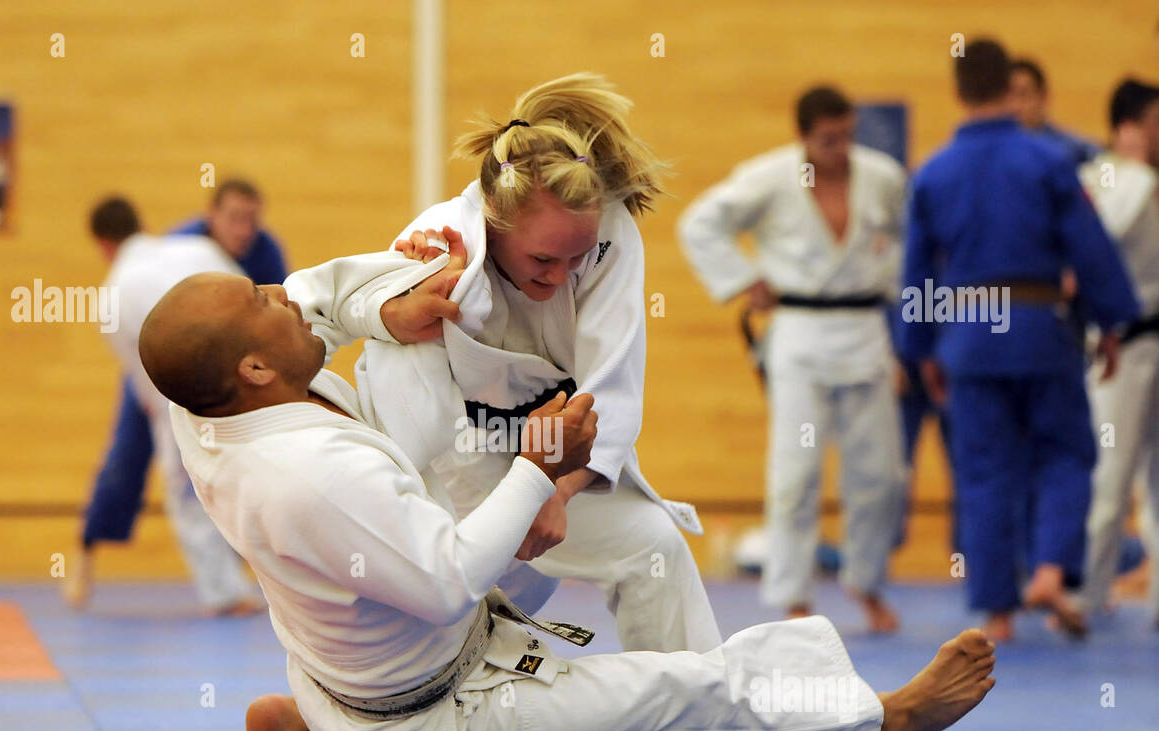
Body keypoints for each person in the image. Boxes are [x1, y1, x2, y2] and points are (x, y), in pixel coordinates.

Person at [138, 269, 997, 731]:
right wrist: (535, 469)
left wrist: (376, 306)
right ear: (254, 369)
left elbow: (309, 294)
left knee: (616, 542)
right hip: (432, 728)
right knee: (666, 695)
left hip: (368, 665)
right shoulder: (306, 474)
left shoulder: (207, 402)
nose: (281, 292)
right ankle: (884, 720)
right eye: (260, 302)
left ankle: (301, 730)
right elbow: (444, 584)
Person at [365, 73, 721, 662]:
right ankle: (317, 722)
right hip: (448, 456)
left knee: (650, 547)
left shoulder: (608, 231)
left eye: (574, 259)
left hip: (559, 450)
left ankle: (707, 728)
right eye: (542, 258)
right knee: (450, 617)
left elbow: (612, 379)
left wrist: (559, 485)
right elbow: (395, 391)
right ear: (494, 222)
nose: (561, 275)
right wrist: (399, 298)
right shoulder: (436, 245)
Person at [896, 39, 1138, 642]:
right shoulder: (1049, 162)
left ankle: (998, 613)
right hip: (1038, 328)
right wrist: (1111, 322)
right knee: (1065, 452)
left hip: (970, 335)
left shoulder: (933, 172)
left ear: (957, 92)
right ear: (1011, 86)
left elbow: (918, 272)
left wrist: (920, 348)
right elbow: (1090, 249)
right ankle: (1052, 569)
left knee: (983, 471)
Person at [678, 85, 908, 632]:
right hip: (800, 333)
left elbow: (910, 243)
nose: (839, 149)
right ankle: (793, 596)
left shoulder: (882, 176)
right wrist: (744, 279)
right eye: (828, 139)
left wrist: (905, 315)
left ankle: (866, 582)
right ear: (803, 135)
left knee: (882, 474)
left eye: (847, 136)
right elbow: (699, 223)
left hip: (867, 329)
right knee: (796, 471)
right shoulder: (771, 177)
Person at [66, 180, 288, 608]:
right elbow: (252, 303)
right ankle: (288, 584)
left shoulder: (114, 291)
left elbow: (145, 381)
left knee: (187, 490)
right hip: (246, 377)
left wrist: (166, 416)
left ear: (103, 245)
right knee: (261, 476)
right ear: (140, 224)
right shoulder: (195, 250)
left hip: (180, 396)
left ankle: (224, 594)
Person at [1076, 79, 1159, 625]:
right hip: (1121, 347)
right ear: (1130, 126)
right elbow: (1095, 248)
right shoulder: (1120, 178)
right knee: (1111, 477)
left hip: (1143, 340)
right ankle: (1087, 596)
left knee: (1149, 480)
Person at [1009, 58, 1100, 165]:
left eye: (1023, 94)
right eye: (1008, 96)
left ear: (1043, 97)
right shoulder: (993, 149)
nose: (1015, 106)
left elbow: (1103, 159)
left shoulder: (1068, 148)